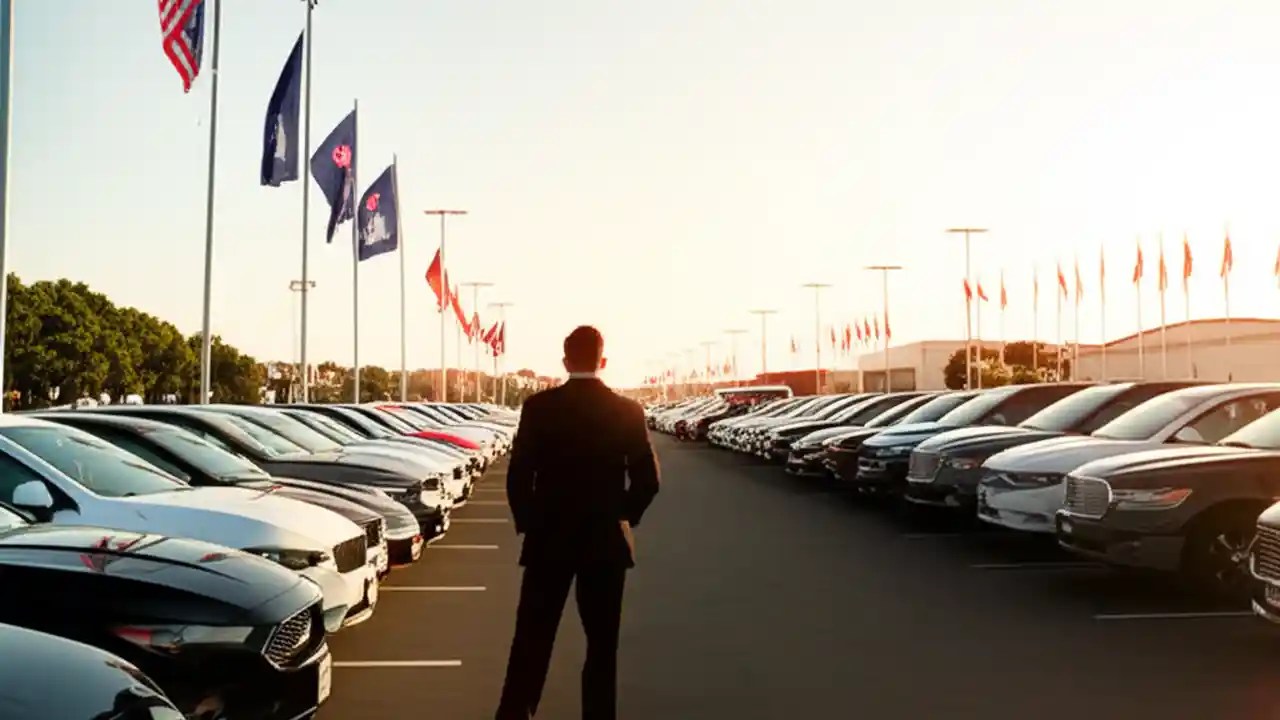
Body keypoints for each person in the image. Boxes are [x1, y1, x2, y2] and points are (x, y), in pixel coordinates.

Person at [496, 325, 661, 720]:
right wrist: (621, 514)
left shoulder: (538, 407)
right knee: (603, 647)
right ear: (602, 362)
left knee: (532, 641)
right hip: (604, 542)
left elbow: (519, 475)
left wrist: (531, 521)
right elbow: (648, 480)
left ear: (566, 361)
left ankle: (515, 714)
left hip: (547, 542)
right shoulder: (626, 411)